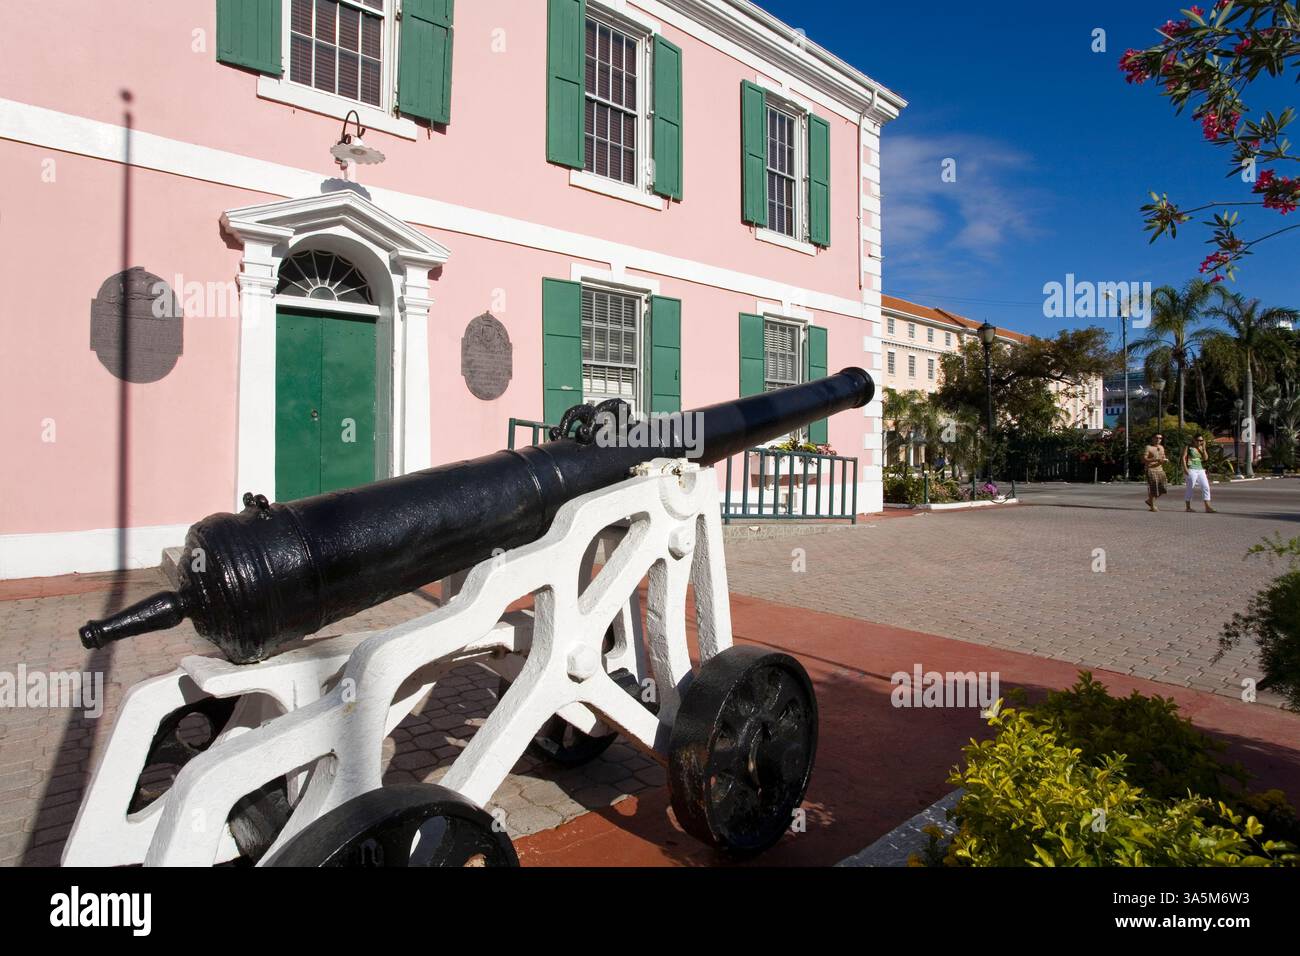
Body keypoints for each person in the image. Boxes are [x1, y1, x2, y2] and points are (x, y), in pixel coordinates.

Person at [1182, 435, 1217, 513]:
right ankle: (1188, 507)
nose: (1199, 442)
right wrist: (1185, 468)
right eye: (1198, 440)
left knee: (1206, 487)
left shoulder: (1201, 448)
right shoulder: (1188, 447)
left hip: (1200, 469)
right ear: (1194, 440)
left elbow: (1205, 458)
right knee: (1190, 487)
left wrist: (1204, 448)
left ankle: (1207, 507)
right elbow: (1183, 458)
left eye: (1201, 440)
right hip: (1191, 469)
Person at [1142, 433, 1168, 512]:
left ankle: (1149, 501)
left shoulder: (1161, 447)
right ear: (1153, 438)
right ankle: (1152, 506)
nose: (1158, 440)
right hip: (1150, 469)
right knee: (1153, 488)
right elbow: (1144, 459)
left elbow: (1163, 457)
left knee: (1163, 488)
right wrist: (1155, 460)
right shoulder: (1148, 447)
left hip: (1160, 469)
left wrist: (1165, 460)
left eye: (1160, 438)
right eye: (1156, 438)